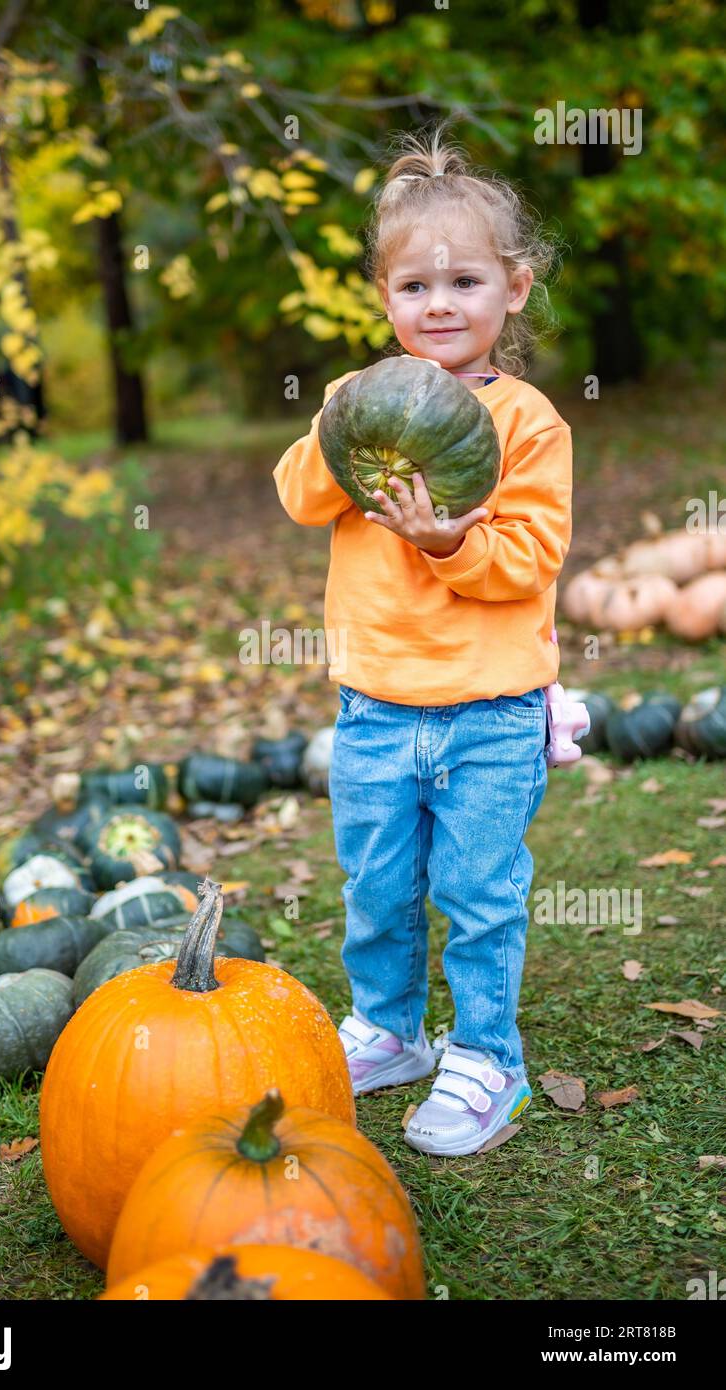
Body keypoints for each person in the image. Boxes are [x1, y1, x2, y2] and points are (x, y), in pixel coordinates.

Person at [272, 119, 572, 1157]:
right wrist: (335, 427)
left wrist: (450, 541)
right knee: (377, 886)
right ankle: (390, 1030)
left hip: (490, 710)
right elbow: (300, 496)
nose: (437, 305)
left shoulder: (526, 421)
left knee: (479, 893)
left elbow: (529, 555)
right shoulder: (360, 403)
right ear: (384, 298)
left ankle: (487, 1057)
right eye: (412, 288)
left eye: (462, 283)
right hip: (372, 704)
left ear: (513, 289)